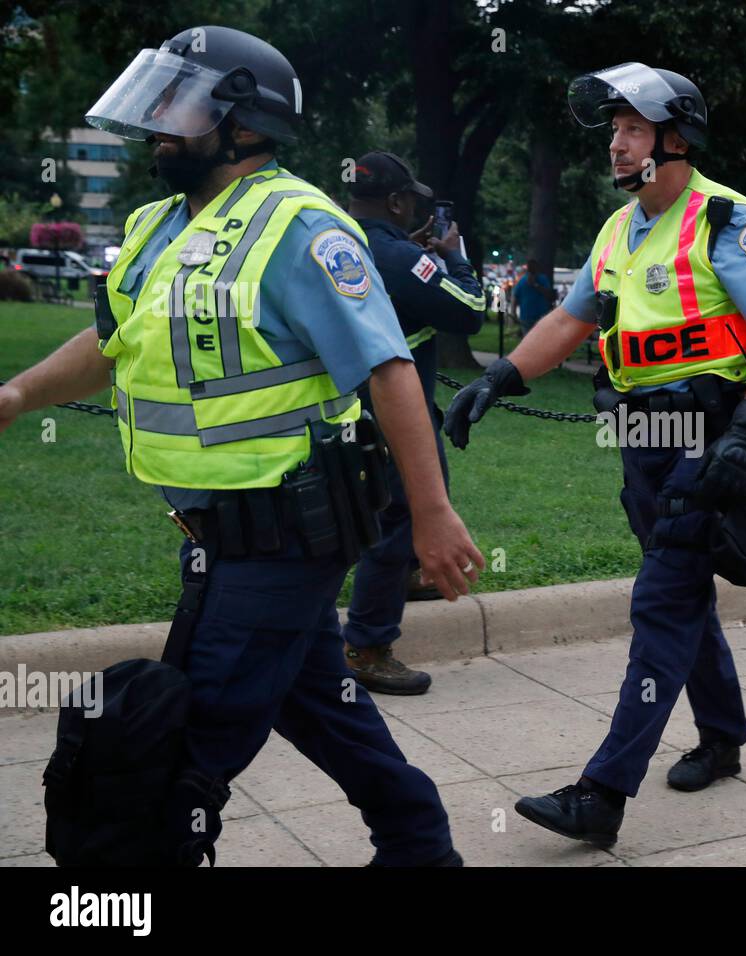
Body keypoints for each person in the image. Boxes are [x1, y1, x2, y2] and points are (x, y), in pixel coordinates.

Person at [0, 26, 482, 865]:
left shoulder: (302, 225)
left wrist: (433, 516)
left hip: (287, 535)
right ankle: (420, 845)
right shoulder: (157, 226)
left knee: (174, 758)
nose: (156, 127)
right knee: (319, 701)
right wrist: (16, 393)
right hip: (214, 531)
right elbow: (110, 341)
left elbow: (389, 369)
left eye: (175, 107)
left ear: (243, 124)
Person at [443, 62, 746, 848]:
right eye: (613, 130)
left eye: (631, 129)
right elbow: (571, 322)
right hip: (640, 434)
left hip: (710, 436)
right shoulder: (618, 229)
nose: (616, 143)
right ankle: (724, 734)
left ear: (675, 139)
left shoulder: (726, 220)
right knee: (682, 592)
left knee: (661, 600)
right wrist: (499, 377)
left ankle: (602, 793)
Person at [341, 150, 486, 694]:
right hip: (393, 413)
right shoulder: (402, 259)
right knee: (398, 515)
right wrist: (454, 259)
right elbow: (469, 311)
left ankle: (408, 573)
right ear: (398, 202)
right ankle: (368, 646)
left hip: (340, 409)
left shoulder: (332, 245)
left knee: (379, 509)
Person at [514, 258, 555, 337]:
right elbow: (515, 297)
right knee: (527, 339)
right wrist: (514, 312)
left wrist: (535, 284)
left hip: (541, 315)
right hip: (526, 317)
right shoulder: (523, 280)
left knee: (541, 339)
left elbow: (548, 294)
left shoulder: (543, 279)